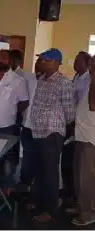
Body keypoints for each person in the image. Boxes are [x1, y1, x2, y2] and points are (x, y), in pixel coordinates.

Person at [30, 48, 75, 223]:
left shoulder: (64, 83)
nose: (41, 62)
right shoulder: (41, 80)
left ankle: (49, 210)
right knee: (40, 170)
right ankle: (40, 203)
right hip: (38, 132)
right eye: (41, 59)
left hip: (52, 133)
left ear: (56, 63)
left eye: (44, 60)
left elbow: (70, 114)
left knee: (49, 173)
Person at [0, 49, 29, 187]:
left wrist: (12, 112)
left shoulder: (17, 80)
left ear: (10, 61)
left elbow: (24, 101)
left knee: (6, 158)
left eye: (3, 58)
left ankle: (5, 186)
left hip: (6, 126)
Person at [61, 51, 91, 204]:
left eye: (79, 61)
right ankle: (67, 188)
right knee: (67, 158)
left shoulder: (89, 80)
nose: (75, 64)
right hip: (70, 122)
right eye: (75, 61)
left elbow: (85, 104)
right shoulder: (76, 77)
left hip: (80, 125)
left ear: (87, 64)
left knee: (75, 161)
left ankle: (74, 193)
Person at [72, 55, 95, 226]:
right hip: (81, 134)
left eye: (93, 64)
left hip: (90, 138)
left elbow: (93, 104)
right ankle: (82, 206)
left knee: (86, 177)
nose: (91, 67)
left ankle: (87, 213)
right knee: (79, 174)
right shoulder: (90, 81)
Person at [19, 57, 44, 189]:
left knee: (40, 157)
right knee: (27, 156)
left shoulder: (52, 82)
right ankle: (25, 183)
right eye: (36, 63)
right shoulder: (27, 78)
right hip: (27, 125)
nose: (37, 65)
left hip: (42, 128)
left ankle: (37, 186)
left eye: (40, 63)